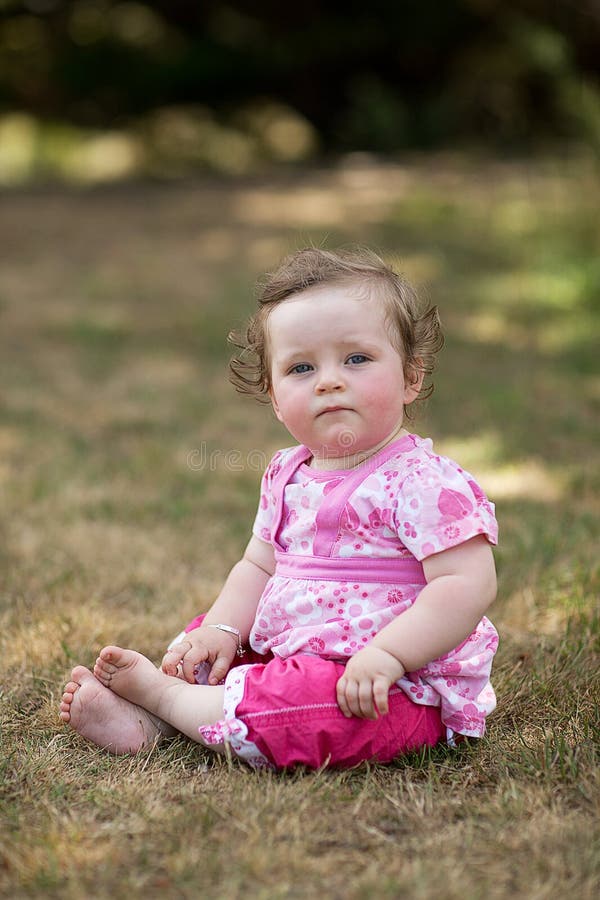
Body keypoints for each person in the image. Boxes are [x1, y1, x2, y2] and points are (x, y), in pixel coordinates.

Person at [60, 247, 499, 770]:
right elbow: (258, 566)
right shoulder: (286, 473)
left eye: (356, 359)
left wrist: (389, 655)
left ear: (410, 377)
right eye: (301, 367)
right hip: (288, 651)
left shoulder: (425, 483)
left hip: (392, 684)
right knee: (206, 647)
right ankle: (159, 720)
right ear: (273, 397)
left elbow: (467, 585)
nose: (329, 380)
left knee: (313, 707)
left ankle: (164, 704)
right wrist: (220, 629)